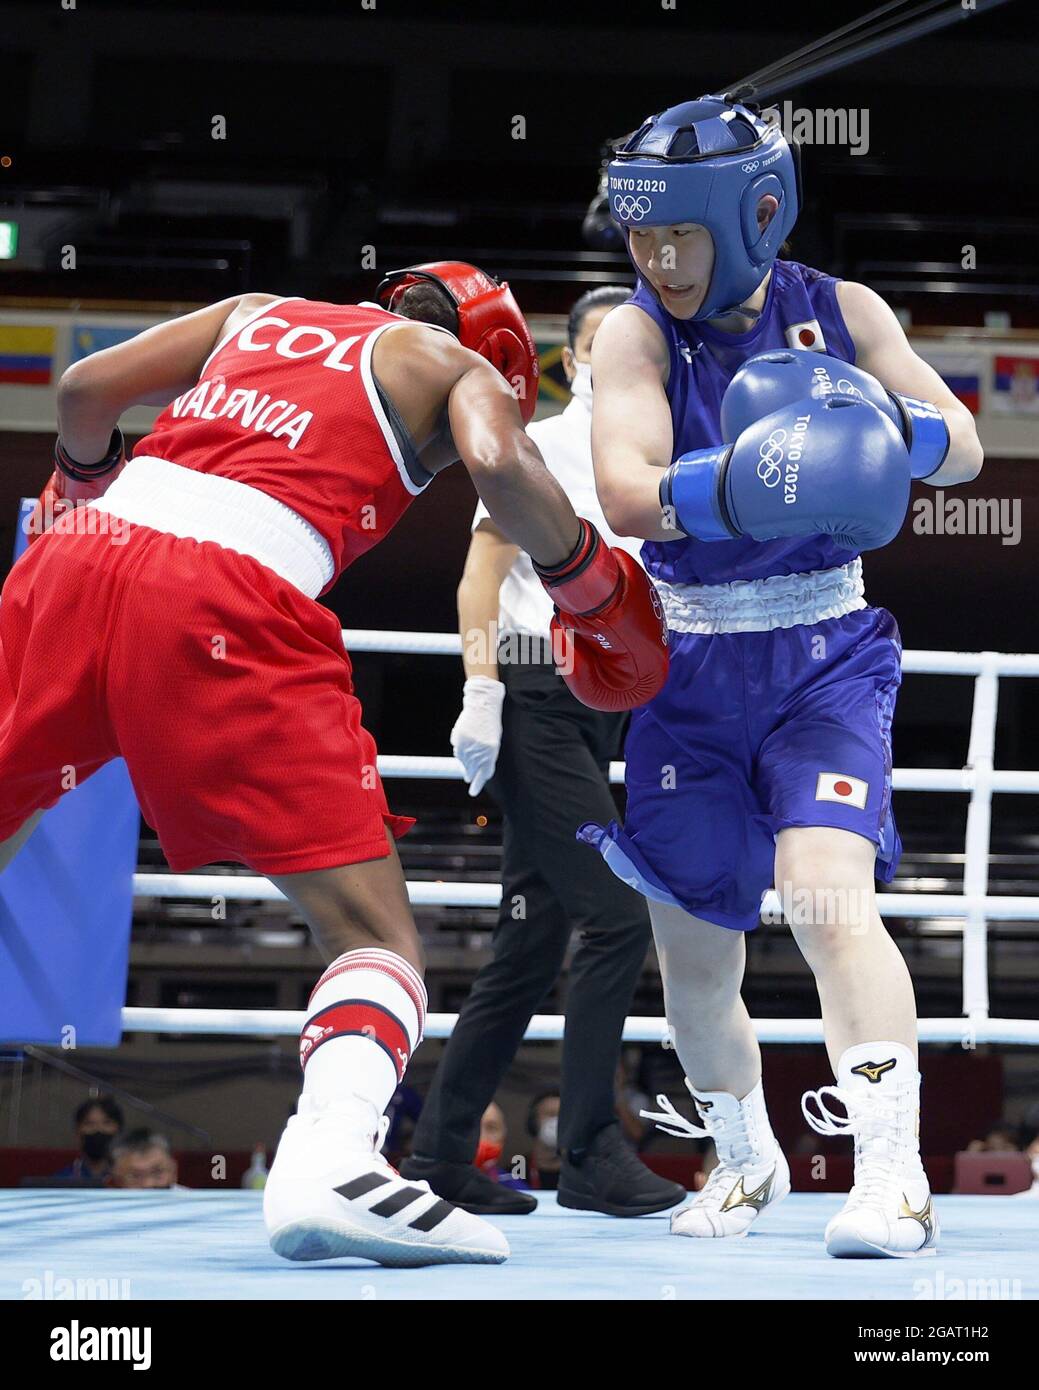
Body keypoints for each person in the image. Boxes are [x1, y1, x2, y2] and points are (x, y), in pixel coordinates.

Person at [0, 261, 667, 1269]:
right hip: (225, 593)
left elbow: (83, 391)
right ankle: (330, 1165)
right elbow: (498, 461)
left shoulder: (256, 310)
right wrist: (591, 586)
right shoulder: (449, 366)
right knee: (373, 935)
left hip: (71, 560)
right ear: (490, 351)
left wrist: (84, 494)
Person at [582, 94, 983, 1258]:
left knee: (824, 895)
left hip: (823, 656)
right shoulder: (632, 335)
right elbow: (623, 491)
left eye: (679, 235)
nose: (658, 260)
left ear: (755, 216)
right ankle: (748, 1160)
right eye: (642, 236)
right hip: (687, 664)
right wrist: (744, 481)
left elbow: (961, 448)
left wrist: (880, 430)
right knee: (694, 953)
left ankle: (893, 1177)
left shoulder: (844, 312)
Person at [402, 287, 683, 1219]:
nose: (626, 356)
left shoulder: (660, 457)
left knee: (527, 944)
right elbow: (481, 574)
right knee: (617, 915)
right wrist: (481, 690)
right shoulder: (541, 444)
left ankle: (440, 1154)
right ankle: (591, 1149)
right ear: (572, 359)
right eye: (606, 341)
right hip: (534, 691)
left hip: (602, 707)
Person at [52, 1095, 124, 1181]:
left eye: (107, 1123)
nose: (98, 1129)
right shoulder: (62, 1179)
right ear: (78, 1132)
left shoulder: (129, 1181)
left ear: (119, 1131)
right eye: (89, 1123)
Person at [109, 1130, 185, 1190]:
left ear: (173, 1171)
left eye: (157, 1172)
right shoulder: (106, 1204)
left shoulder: (190, 1202)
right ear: (117, 1180)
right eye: (136, 1176)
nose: (148, 1184)